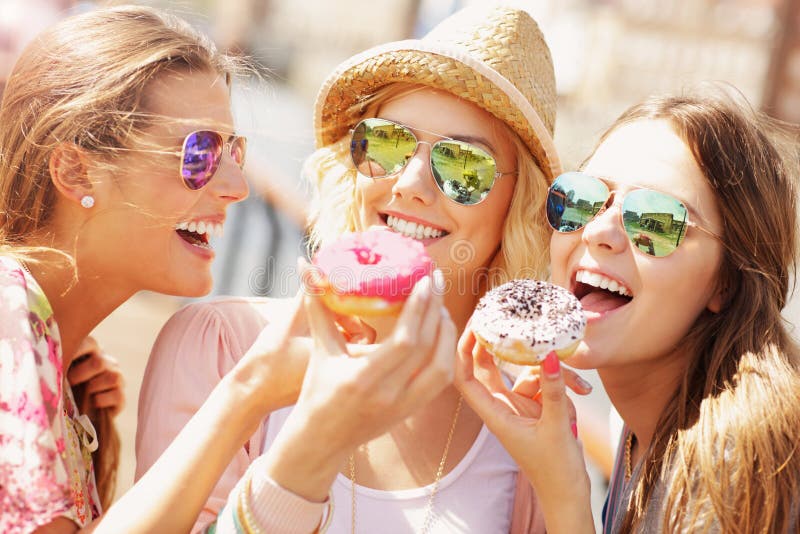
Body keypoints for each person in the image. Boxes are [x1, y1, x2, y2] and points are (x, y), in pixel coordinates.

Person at [136, 5, 593, 533]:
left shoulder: (530, 422)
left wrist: (565, 494)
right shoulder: (221, 348)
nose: (409, 184)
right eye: (386, 143)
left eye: (465, 165)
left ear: (518, 204)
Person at [0, 5, 396, 533]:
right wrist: (248, 392)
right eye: (200, 153)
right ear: (76, 170)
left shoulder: (54, 360)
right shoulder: (8, 318)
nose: (237, 186)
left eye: (234, 150)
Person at [457, 86, 800, 532]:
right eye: (580, 199)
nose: (598, 230)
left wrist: (562, 490)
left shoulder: (741, 465)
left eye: (654, 220)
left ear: (727, 282)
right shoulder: (648, 428)